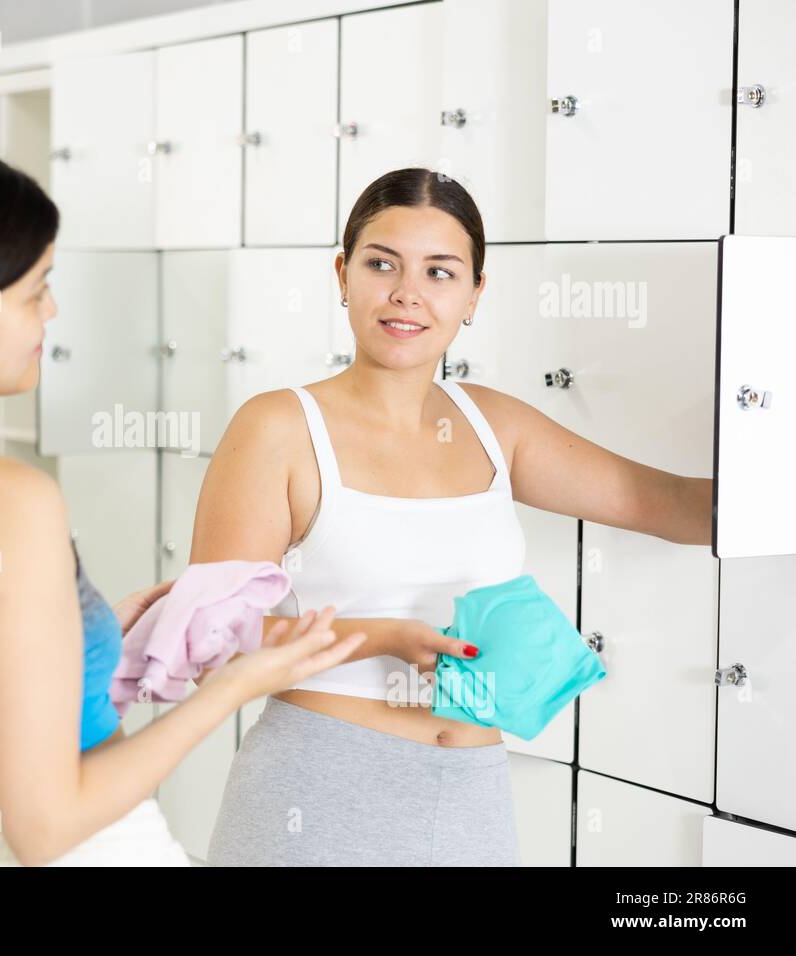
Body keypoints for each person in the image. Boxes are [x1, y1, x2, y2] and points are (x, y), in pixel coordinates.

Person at [0, 147, 365, 866]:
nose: (53, 311)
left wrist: (77, 657)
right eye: (36, 289)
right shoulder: (6, 499)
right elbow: (41, 829)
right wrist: (233, 688)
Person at [195, 167, 714, 866]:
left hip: (472, 798)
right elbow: (210, 636)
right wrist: (380, 637)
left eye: (440, 272)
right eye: (382, 264)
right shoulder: (279, 428)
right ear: (343, 274)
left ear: (474, 293)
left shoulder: (493, 424)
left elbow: (672, 505)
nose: (407, 293)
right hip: (319, 791)